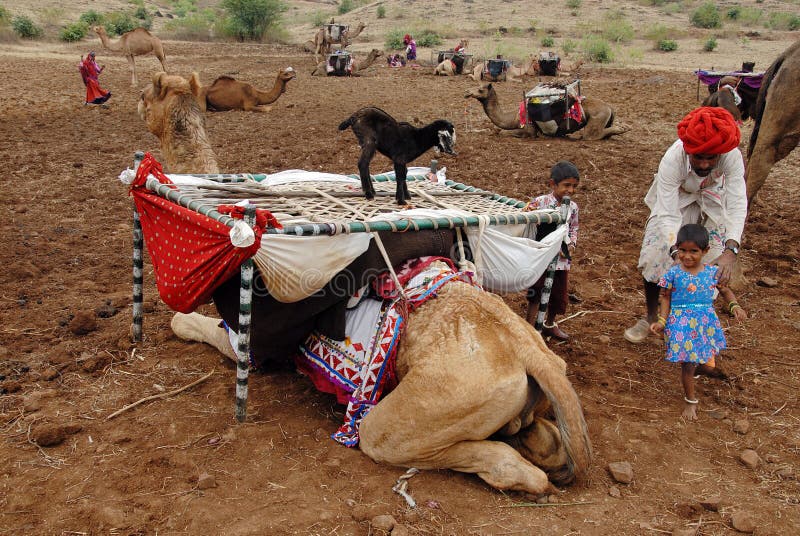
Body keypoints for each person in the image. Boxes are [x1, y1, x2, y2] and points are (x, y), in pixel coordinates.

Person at [624, 107, 746, 344]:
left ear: (721, 154)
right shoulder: (673, 159)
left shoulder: (731, 156)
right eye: (697, 157)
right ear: (688, 150)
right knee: (654, 254)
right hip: (677, 200)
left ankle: (690, 323)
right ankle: (651, 316)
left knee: (711, 264)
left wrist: (731, 250)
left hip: (712, 201)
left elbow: (737, 202)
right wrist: (673, 251)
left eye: (711, 158)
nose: (703, 163)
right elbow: (667, 213)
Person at [649, 224, 747, 420]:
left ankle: (701, 368)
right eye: (683, 250)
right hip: (681, 325)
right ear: (677, 248)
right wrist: (662, 319)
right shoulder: (673, 274)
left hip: (704, 323)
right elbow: (666, 297)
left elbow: (725, 291)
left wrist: (734, 306)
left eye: (694, 251)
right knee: (687, 364)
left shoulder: (712, 272)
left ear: (705, 251)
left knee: (702, 360)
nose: (687, 256)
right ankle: (690, 402)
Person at [524, 161, 580, 341]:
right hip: (541, 255)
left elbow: (573, 228)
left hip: (561, 260)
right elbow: (527, 214)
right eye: (566, 185)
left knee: (557, 293)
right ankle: (529, 327)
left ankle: (549, 324)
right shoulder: (541, 202)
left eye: (574, 186)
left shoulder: (573, 207)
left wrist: (571, 245)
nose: (570, 190)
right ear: (552, 184)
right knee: (537, 291)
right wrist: (529, 210)